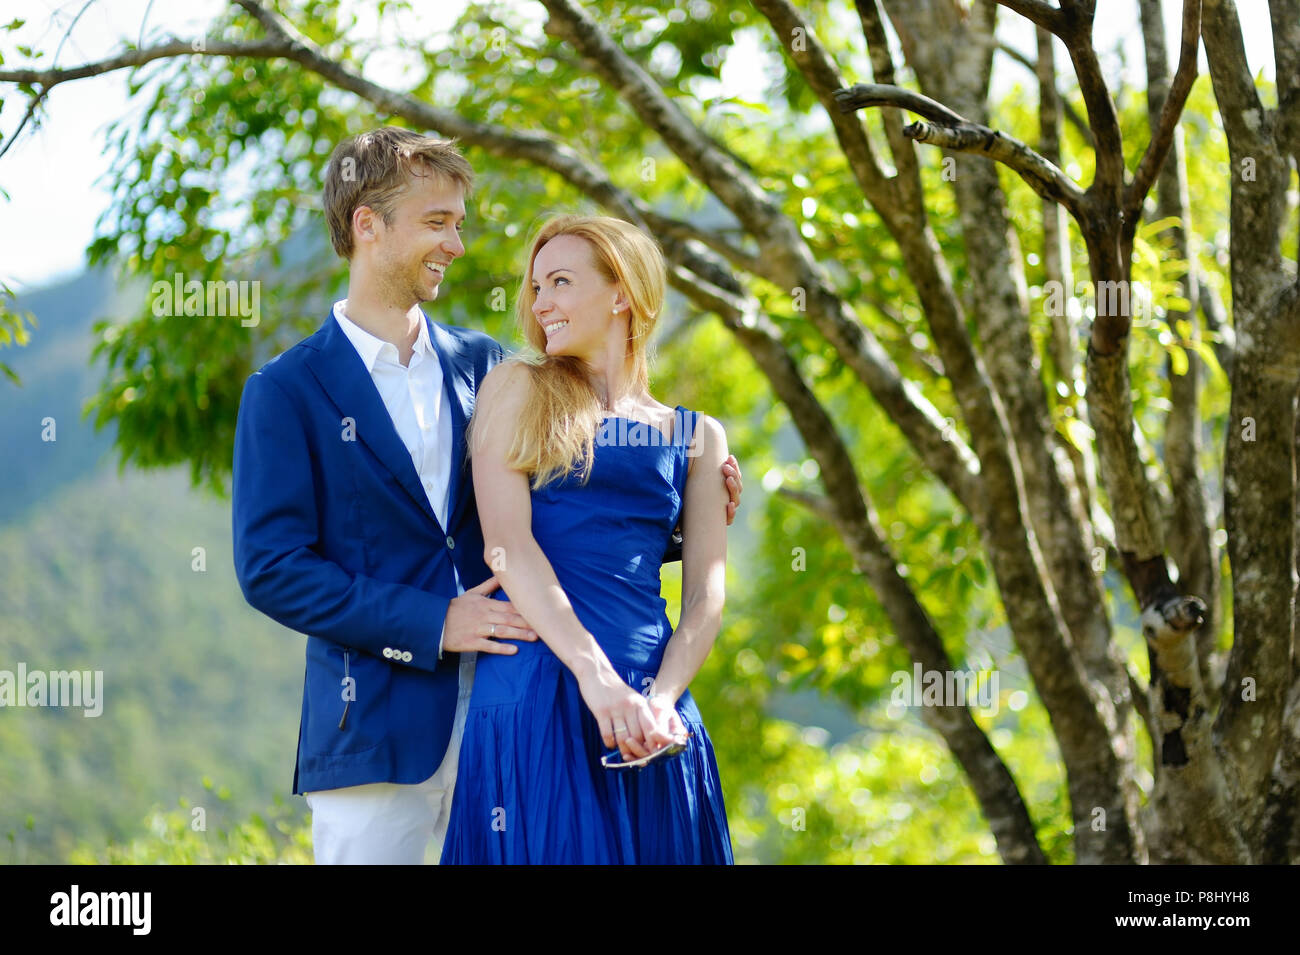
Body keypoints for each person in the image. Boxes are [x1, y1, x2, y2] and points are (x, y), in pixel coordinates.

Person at [231, 128, 743, 864]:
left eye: (458, 223)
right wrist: (436, 621)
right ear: (366, 226)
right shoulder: (286, 391)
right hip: (378, 732)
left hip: (522, 709)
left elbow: (566, 501)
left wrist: (691, 513)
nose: (457, 244)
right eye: (437, 222)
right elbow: (273, 568)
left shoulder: (490, 369)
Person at [440, 215, 733, 864]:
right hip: (541, 686)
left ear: (622, 292)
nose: (541, 303)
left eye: (561, 282)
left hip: (654, 705)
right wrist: (595, 678)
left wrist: (659, 701)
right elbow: (507, 545)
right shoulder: (515, 387)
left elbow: (706, 596)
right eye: (536, 286)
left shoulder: (698, 436)